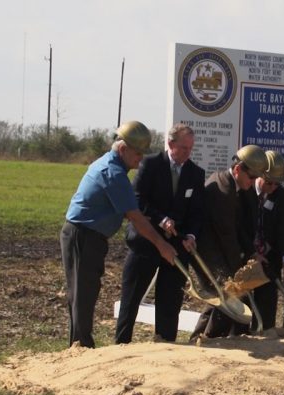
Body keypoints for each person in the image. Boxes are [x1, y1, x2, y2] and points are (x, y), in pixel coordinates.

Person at [61, 121, 177, 348]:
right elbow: (134, 216)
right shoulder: (112, 173)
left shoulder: (113, 168)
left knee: (84, 291)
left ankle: (79, 343)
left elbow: (124, 210)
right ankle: (81, 346)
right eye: (137, 153)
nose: (141, 159)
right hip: (83, 236)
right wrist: (161, 245)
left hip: (88, 236)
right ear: (123, 149)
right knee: (82, 293)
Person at [114, 123, 205, 344]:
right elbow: (137, 200)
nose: (187, 153)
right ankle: (121, 345)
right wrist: (161, 219)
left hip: (177, 247)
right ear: (171, 144)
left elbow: (198, 212)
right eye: (183, 148)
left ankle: (165, 345)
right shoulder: (151, 164)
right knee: (132, 298)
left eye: (190, 149)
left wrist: (191, 236)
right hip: (145, 242)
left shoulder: (195, 173)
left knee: (170, 302)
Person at [190, 145, 268, 339]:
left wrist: (250, 254)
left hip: (224, 249)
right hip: (210, 253)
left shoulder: (242, 187)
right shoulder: (222, 190)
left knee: (221, 298)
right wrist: (238, 272)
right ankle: (210, 340)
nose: (254, 181)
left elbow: (243, 229)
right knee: (227, 296)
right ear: (237, 169)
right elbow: (227, 236)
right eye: (251, 177)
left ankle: (199, 337)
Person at [242, 151, 284, 331]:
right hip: (245, 256)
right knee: (242, 304)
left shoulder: (283, 196)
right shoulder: (245, 189)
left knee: (266, 306)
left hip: (269, 259)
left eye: (277, 183)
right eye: (269, 182)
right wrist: (251, 253)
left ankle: (264, 337)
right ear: (259, 176)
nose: (273, 187)